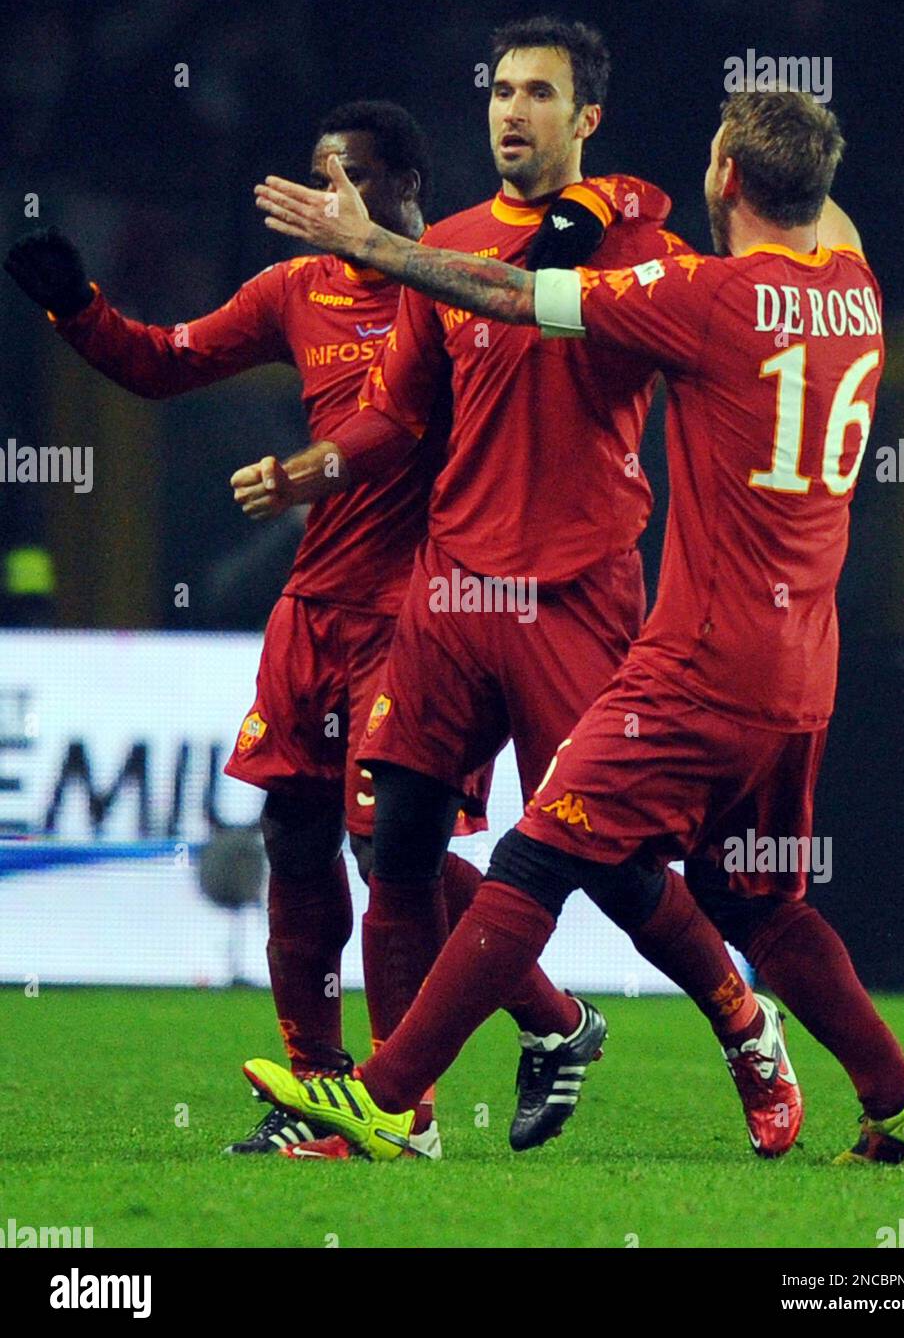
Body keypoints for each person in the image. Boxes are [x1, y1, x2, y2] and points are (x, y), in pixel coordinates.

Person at [242, 87, 904, 1166]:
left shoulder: (699, 295)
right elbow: (822, 208)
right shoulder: (853, 284)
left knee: (533, 856)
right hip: (804, 671)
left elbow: (509, 292)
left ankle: (387, 1100)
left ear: (722, 178)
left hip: (698, 668)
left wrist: (375, 248)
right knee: (758, 899)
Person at [3, 101, 579, 1161]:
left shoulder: (456, 280)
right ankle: (319, 1084)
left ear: (408, 183)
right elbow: (167, 359)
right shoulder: (293, 290)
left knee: (385, 850)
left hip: (427, 609)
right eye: (318, 181)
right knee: (297, 838)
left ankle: (409, 1105)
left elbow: (408, 431)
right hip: (316, 604)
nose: (330, 201)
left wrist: (312, 470)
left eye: (350, 178)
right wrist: (78, 311)